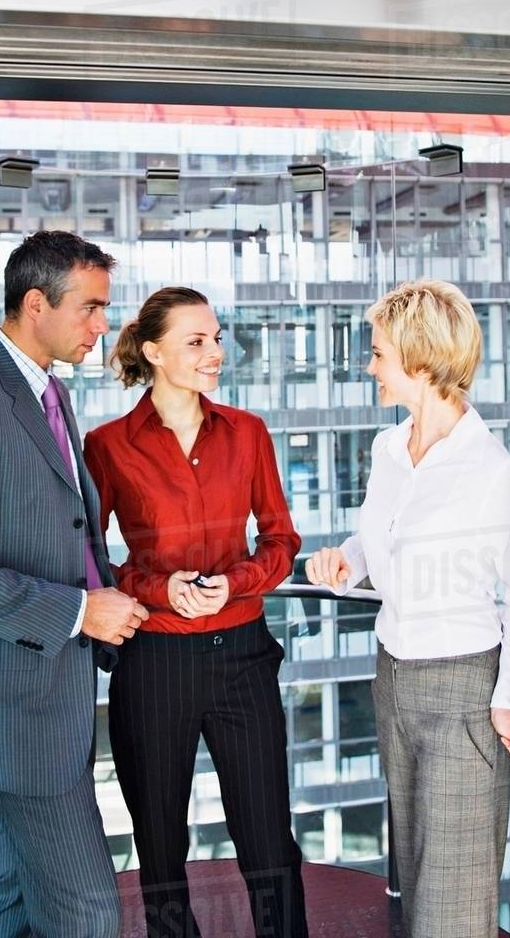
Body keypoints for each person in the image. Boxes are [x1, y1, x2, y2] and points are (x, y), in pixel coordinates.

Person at [83, 286, 309, 938]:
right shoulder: (108, 445)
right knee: (159, 847)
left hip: (242, 654)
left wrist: (234, 580)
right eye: (197, 341)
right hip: (154, 662)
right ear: (153, 352)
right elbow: (92, 560)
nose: (217, 352)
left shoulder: (248, 432)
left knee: (269, 841)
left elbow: (280, 540)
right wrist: (159, 587)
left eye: (216, 338)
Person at [306, 279, 510, 938]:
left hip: (464, 688)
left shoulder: (493, 473)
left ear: (420, 359)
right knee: (411, 886)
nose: (369, 366)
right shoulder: (386, 449)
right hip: (392, 679)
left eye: (378, 353)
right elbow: (383, 535)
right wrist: (346, 557)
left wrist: (508, 695)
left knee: (450, 907)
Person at [0, 230, 149, 938]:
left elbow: (69, 528)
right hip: (24, 712)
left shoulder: (45, 388)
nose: (104, 326)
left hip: (55, 696)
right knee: (89, 914)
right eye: (91, 308)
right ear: (36, 303)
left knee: (12, 899)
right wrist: (80, 610)